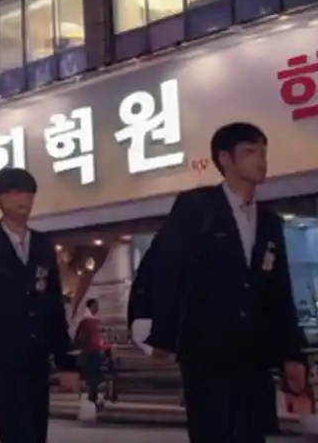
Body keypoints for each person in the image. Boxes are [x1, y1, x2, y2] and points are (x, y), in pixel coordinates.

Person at [129, 122, 306, 443]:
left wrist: (293, 353)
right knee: (213, 433)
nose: (261, 160)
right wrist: (160, 334)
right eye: (250, 152)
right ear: (225, 159)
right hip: (206, 350)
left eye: (264, 151)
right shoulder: (197, 207)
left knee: (252, 434)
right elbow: (163, 266)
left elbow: (279, 292)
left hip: (253, 354)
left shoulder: (268, 222)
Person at [0, 167, 80, 443]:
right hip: (0, 356)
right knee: (12, 429)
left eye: (29, 193)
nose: (24, 199)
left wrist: (66, 362)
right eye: (15, 192)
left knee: (35, 429)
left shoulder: (42, 245)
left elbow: (53, 307)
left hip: (36, 356)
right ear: (0, 200)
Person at [74, 299, 112, 410]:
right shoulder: (89, 321)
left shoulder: (86, 321)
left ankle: (93, 398)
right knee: (95, 376)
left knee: (93, 378)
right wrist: (105, 346)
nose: (97, 308)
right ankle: (94, 399)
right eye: (95, 306)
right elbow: (94, 340)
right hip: (91, 353)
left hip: (88, 353)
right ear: (90, 306)